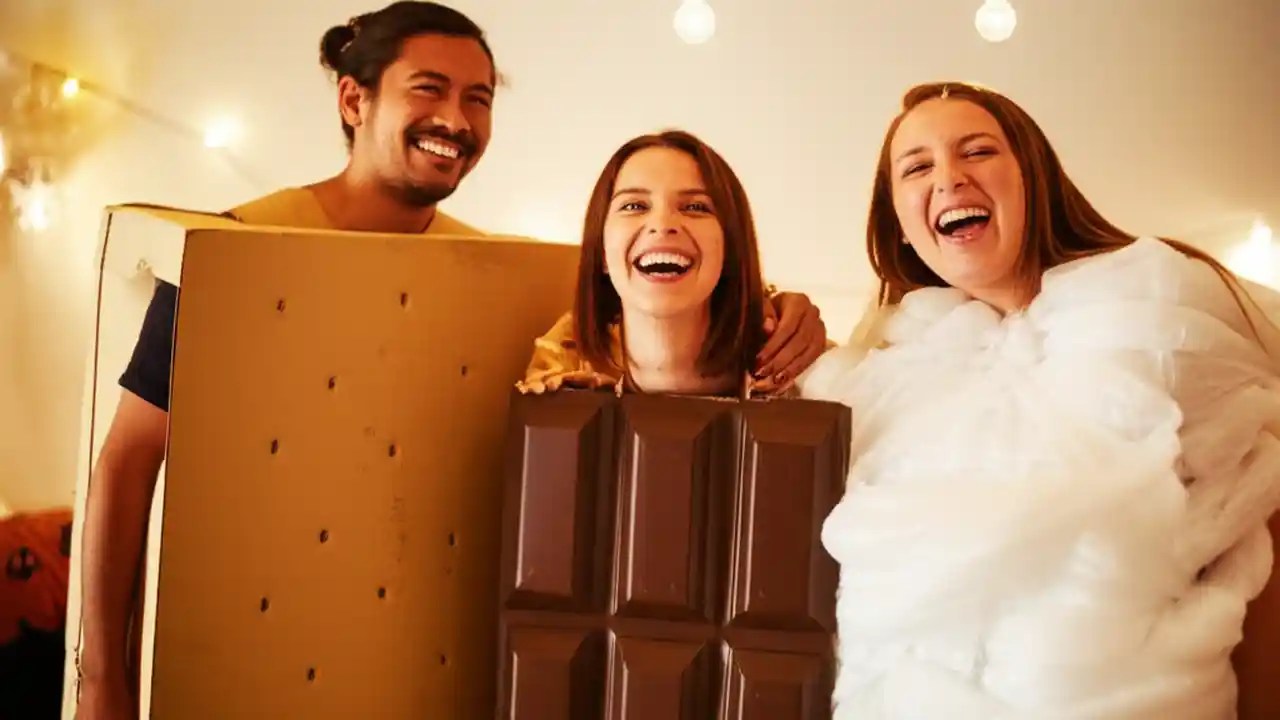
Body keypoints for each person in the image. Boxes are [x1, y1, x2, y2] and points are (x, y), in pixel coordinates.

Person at [73, 3, 828, 718]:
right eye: (429, 89)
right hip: (247, 660)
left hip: (429, 674)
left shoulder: (497, 279)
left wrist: (779, 307)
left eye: (479, 98)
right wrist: (100, 677)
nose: (457, 121)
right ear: (353, 100)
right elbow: (126, 463)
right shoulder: (227, 257)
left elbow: (649, 317)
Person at [798, 81, 1280, 718]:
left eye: (977, 151)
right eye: (917, 168)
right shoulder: (880, 376)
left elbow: (1256, 511)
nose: (949, 178)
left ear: (1033, 179)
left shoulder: (1151, 308)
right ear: (902, 228)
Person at [518, 129, 774, 397]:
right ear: (602, 252)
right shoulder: (559, 361)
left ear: (731, 246)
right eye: (634, 206)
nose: (662, 224)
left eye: (695, 207)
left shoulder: (794, 373)